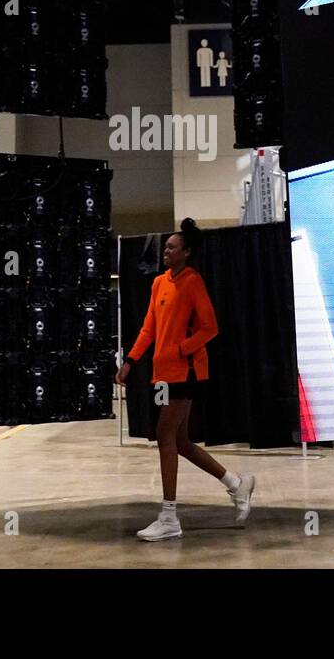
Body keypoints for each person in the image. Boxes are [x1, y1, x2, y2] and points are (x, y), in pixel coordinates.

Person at [115, 218, 256, 541]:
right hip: (162, 373)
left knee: (165, 435)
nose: (166, 250)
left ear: (187, 253)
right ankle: (237, 483)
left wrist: (182, 348)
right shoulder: (158, 283)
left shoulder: (193, 282)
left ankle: (169, 516)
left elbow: (210, 327)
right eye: (165, 246)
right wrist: (131, 361)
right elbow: (149, 328)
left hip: (187, 372)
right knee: (179, 441)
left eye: (172, 247)